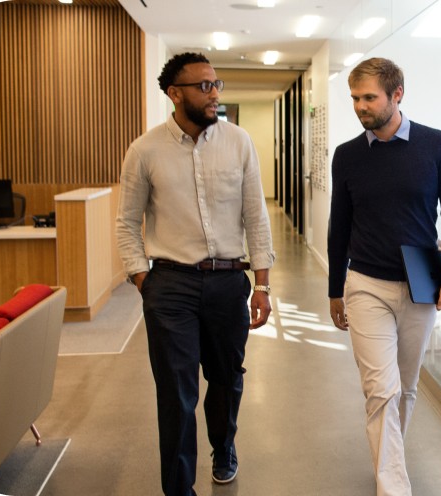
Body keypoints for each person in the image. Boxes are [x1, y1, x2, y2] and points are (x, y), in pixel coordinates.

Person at [116, 52, 275, 496]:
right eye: (204, 86)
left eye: (216, 84)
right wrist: (142, 280)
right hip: (170, 285)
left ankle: (223, 447)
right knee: (177, 392)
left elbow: (255, 216)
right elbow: (126, 221)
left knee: (227, 379)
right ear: (175, 93)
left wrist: (261, 284)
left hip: (228, 283)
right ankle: (179, 488)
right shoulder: (145, 149)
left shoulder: (238, 142)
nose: (214, 93)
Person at [327, 57, 441, 496]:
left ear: (397, 94)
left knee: (405, 388)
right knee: (381, 390)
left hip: (423, 281)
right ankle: (393, 486)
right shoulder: (347, 156)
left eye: (369, 97)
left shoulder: (436, 145)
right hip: (366, 283)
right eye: (355, 98)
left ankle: (387, 462)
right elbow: (339, 226)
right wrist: (336, 289)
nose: (360, 107)